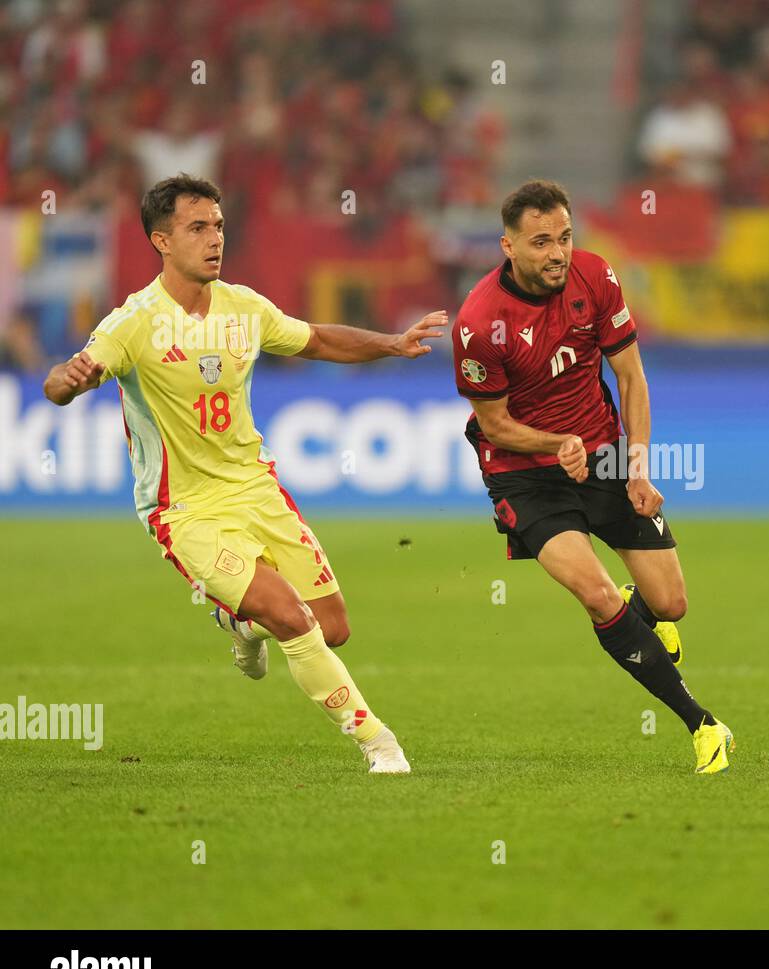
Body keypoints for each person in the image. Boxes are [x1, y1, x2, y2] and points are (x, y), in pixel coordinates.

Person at [42, 173, 446, 773]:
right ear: (161, 241)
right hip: (185, 511)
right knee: (290, 616)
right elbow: (64, 378)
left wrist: (390, 343)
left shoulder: (244, 307)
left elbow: (314, 341)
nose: (214, 239)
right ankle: (378, 742)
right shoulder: (133, 322)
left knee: (331, 629)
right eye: (197, 228)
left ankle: (238, 621)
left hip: (256, 487)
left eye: (219, 226)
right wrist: (66, 383)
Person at [452, 179, 733, 774]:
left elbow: (631, 377)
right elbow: (495, 424)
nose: (557, 253)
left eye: (564, 237)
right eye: (540, 242)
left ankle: (643, 615)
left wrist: (636, 467)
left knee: (672, 604)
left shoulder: (596, 277)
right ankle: (702, 724)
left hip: (604, 456)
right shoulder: (479, 323)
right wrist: (557, 445)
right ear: (508, 246)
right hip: (525, 478)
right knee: (598, 595)